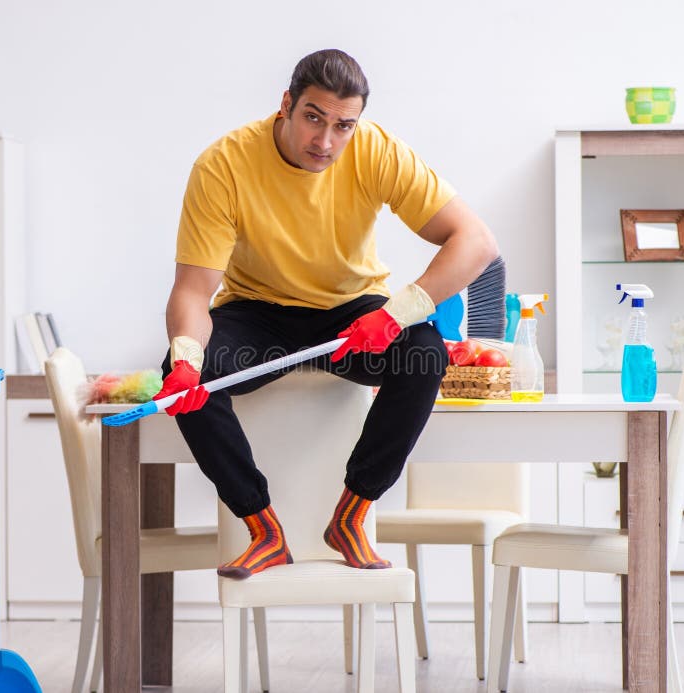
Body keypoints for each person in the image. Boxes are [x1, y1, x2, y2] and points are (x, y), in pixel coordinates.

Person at [155, 48, 499, 579]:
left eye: (343, 125)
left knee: (424, 353)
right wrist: (184, 358)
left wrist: (396, 315)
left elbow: (475, 242)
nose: (326, 141)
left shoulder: (377, 151)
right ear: (286, 105)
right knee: (183, 380)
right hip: (257, 316)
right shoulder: (223, 164)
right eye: (314, 117)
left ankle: (352, 514)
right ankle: (262, 528)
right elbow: (193, 293)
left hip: (352, 314)